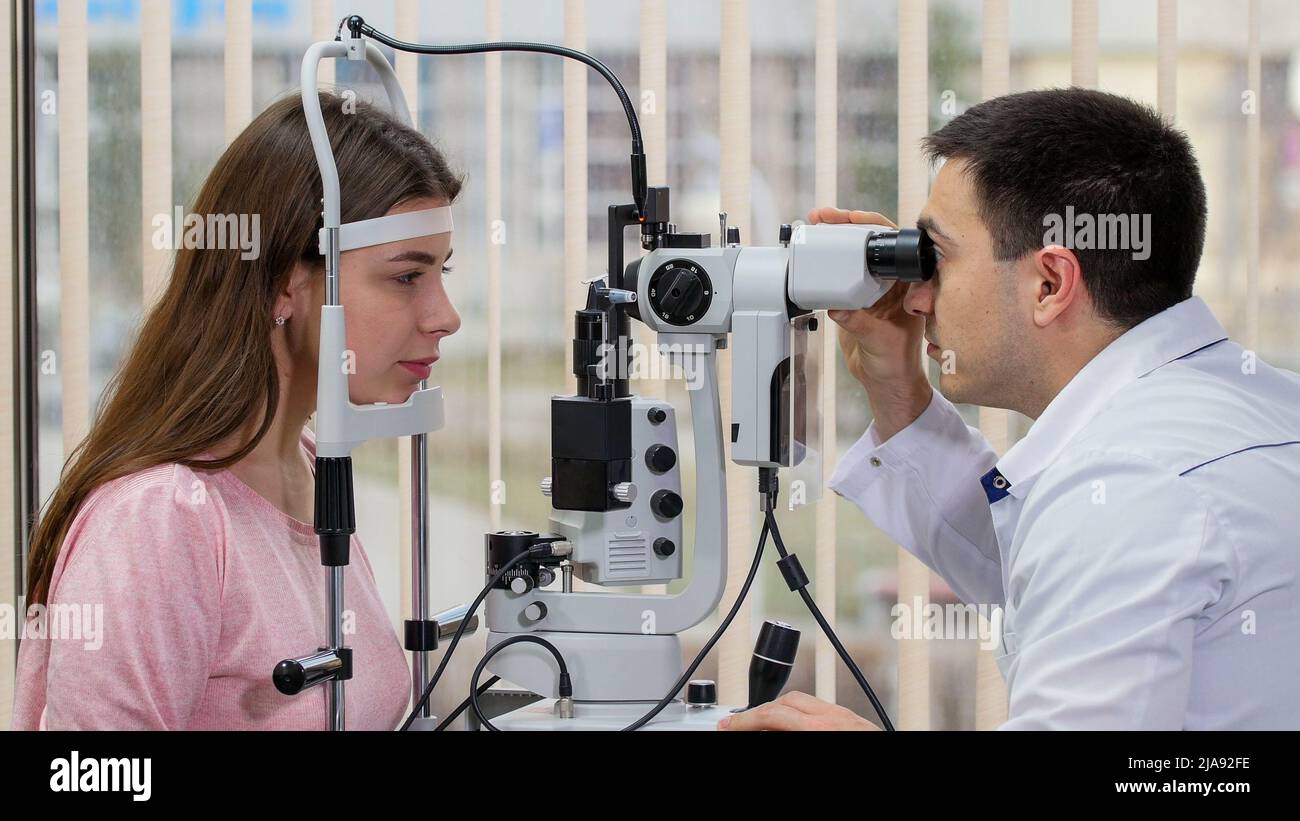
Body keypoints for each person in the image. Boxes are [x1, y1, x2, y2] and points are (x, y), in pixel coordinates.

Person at [721, 88, 1300, 731]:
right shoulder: (1263, 408)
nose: (915, 298)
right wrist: (897, 388)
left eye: (934, 258)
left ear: (1050, 284)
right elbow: (1040, 574)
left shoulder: (1128, 485)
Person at [13, 91, 463, 729]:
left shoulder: (307, 465)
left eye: (443, 272)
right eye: (405, 277)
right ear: (286, 279)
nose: (446, 316)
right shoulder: (160, 520)